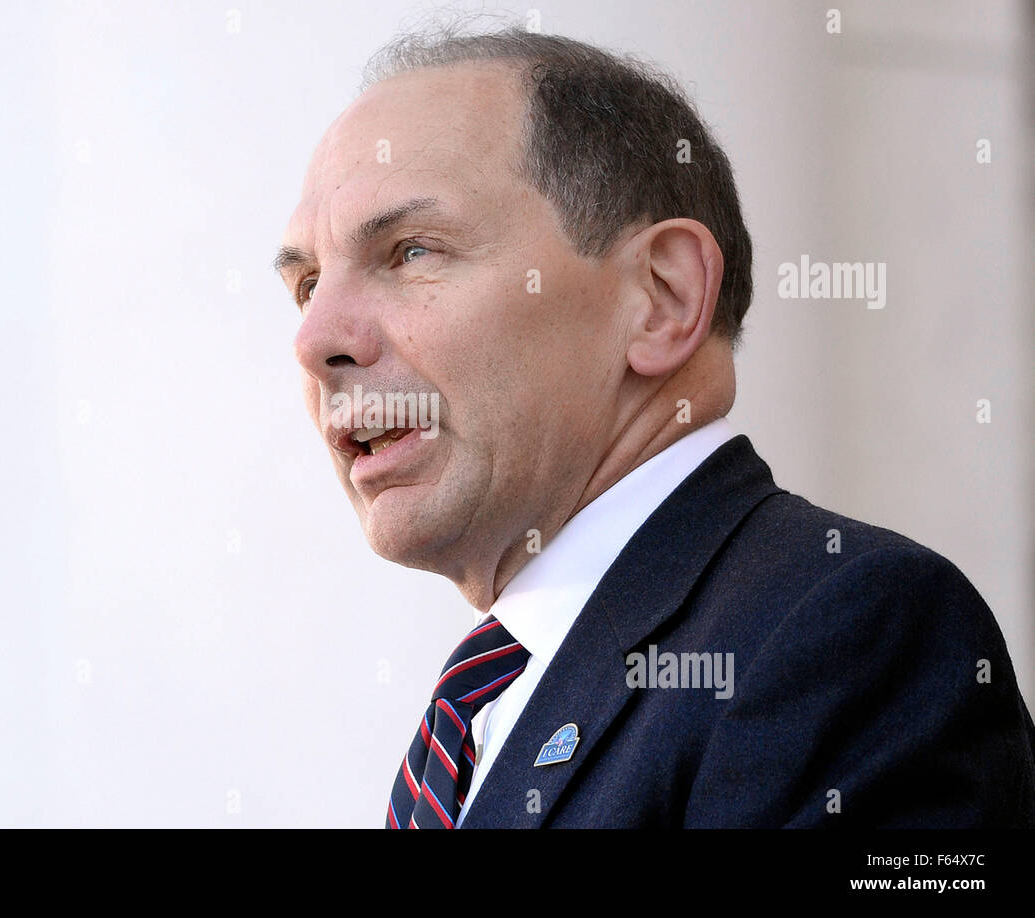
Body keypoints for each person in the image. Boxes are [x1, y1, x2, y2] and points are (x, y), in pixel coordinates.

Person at [271, 26, 1035, 828]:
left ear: (662, 298)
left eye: (412, 251)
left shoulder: (852, 633)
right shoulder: (481, 714)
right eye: (308, 283)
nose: (316, 340)